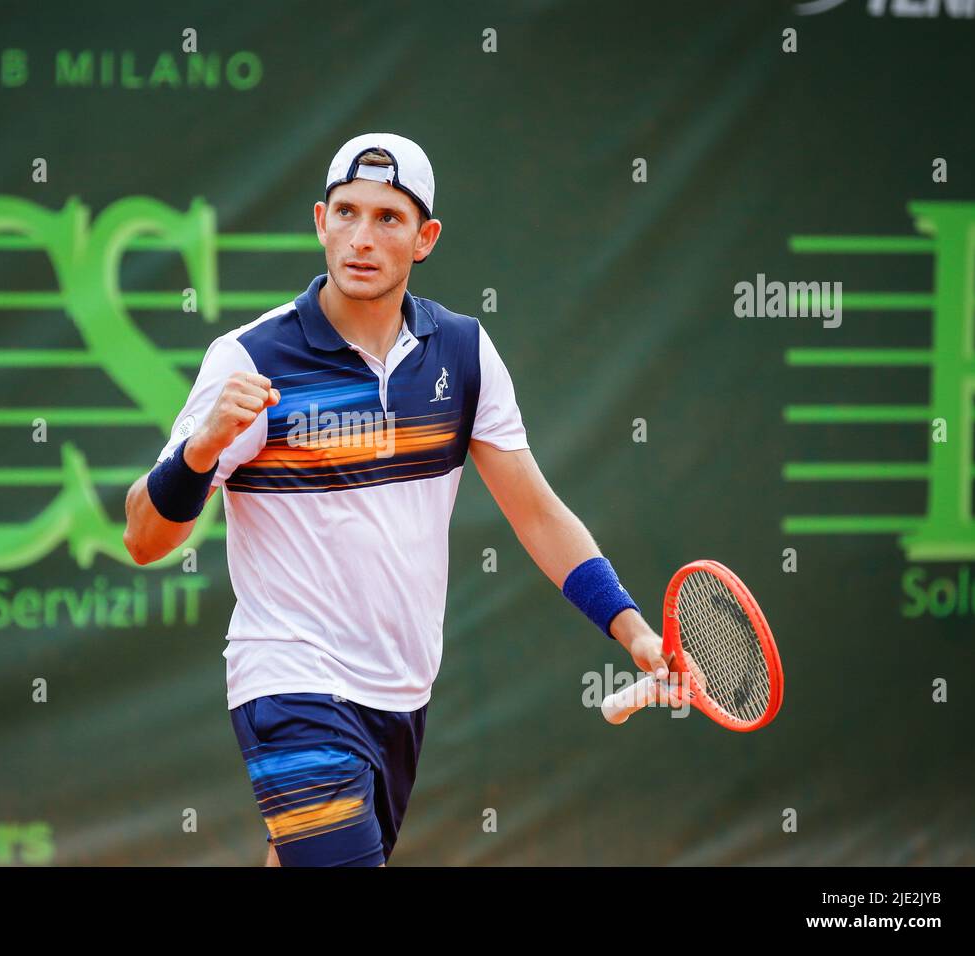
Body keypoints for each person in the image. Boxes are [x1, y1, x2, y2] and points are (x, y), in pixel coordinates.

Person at [123, 132, 674, 867]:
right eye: (346, 213)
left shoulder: (464, 353)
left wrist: (633, 632)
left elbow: (537, 513)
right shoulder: (250, 360)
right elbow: (144, 538)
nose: (361, 237)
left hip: (401, 695)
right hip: (290, 681)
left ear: (425, 238)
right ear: (319, 221)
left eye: (388, 217)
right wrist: (198, 452)